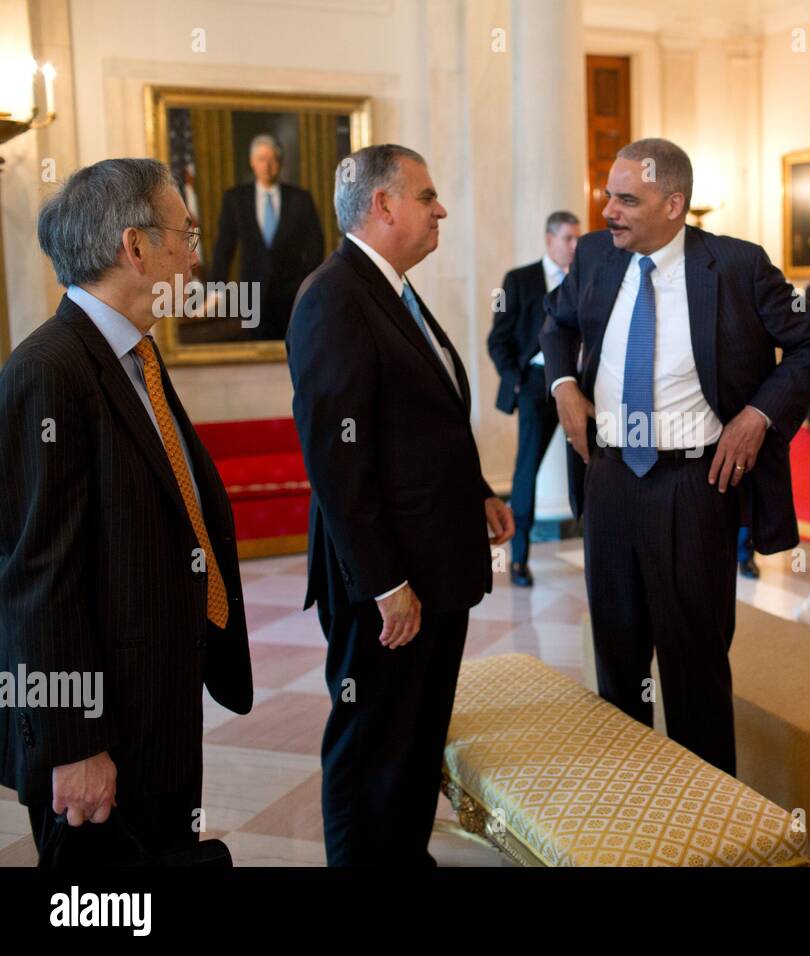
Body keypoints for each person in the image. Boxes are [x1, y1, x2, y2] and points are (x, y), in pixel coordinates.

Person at [540, 138, 810, 775]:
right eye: (608, 196)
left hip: (693, 485)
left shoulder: (736, 267)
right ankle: (631, 815)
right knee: (617, 660)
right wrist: (564, 385)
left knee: (694, 665)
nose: (609, 211)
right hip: (610, 477)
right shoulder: (595, 257)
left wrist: (758, 416)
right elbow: (556, 322)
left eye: (627, 199)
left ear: (674, 204)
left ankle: (709, 831)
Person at [0, 158, 253, 865]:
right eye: (187, 232)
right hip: (98, 737)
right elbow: (36, 582)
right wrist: (75, 744)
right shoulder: (48, 371)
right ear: (135, 248)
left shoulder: (134, 354)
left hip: (157, 707)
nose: (197, 253)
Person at [286, 144, 514, 866]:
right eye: (427, 194)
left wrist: (476, 490)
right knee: (370, 748)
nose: (440, 208)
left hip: (431, 567)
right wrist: (386, 583)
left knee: (416, 740)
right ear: (383, 205)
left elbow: (421, 419)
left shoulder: (389, 288)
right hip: (386, 585)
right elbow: (337, 464)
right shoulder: (334, 296)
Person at [487, 211, 579, 587]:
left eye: (578, 238)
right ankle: (519, 559)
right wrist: (518, 382)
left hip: (578, 384)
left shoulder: (585, 278)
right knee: (526, 469)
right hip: (535, 382)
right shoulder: (516, 280)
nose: (575, 246)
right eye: (568, 239)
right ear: (549, 239)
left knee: (591, 466)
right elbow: (498, 339)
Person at [209, 133, 325, 340]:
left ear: (280, 163)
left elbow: (316, 246)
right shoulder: (236, 199)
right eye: (262, 159)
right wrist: (216, 290)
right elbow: (224, 247)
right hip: (250, 295)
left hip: (292, 295)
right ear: (252, 162)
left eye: (272, 159)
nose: (267, 165)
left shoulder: (300, 198)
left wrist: (307, 285)